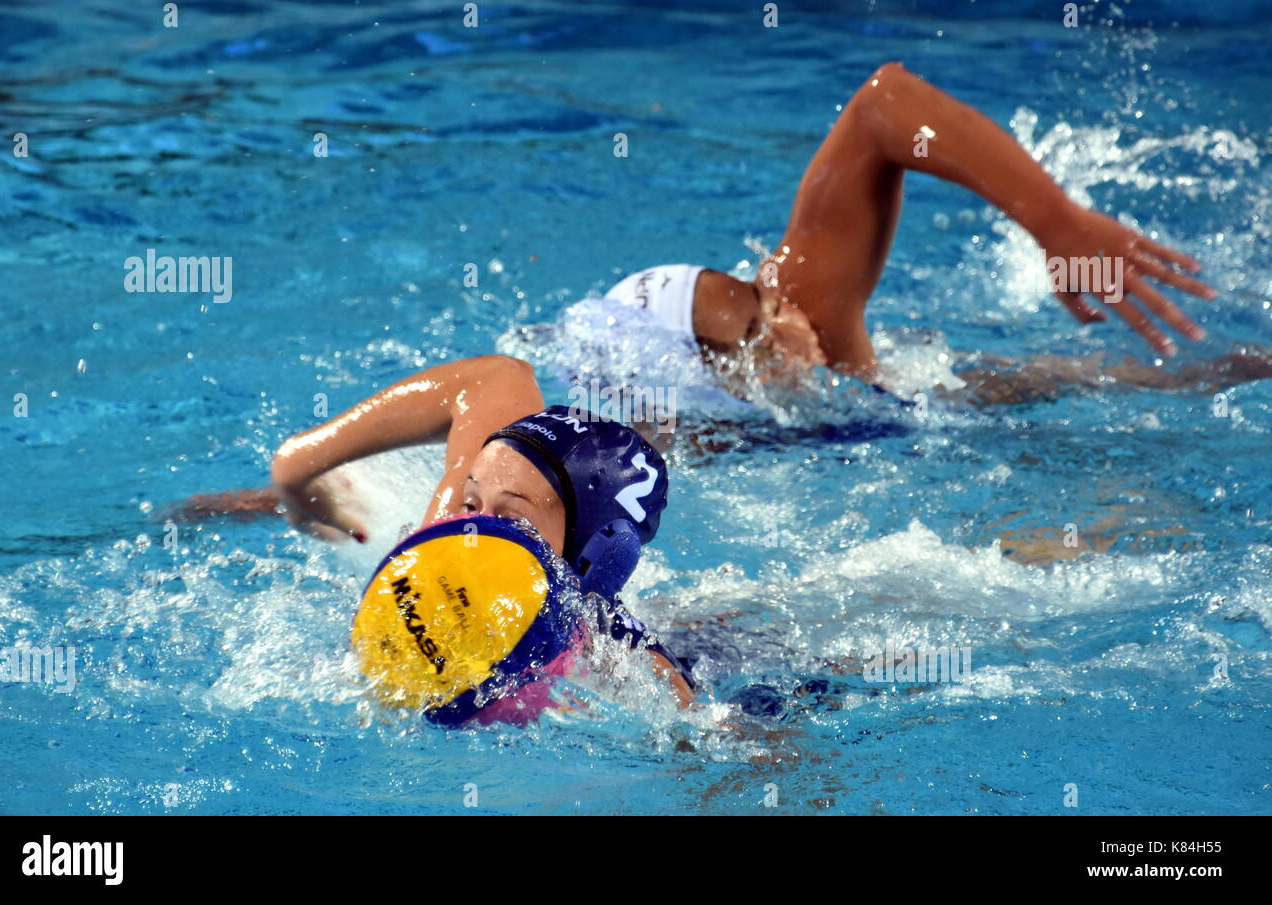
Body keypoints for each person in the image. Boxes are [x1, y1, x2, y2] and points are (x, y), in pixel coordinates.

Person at [556, 63, 1268, 406]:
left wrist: (1060, 225)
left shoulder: (806, 313)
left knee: (1175, 379)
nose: (787, 310)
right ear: (714, 387)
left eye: (760, 294)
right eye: (760, 326)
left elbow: (882, 106)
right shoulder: (685, 458)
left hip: (962, 404)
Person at [179, 355, 697, 723]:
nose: (471, 533)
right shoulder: (444, 530)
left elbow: (721, 741)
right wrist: (296, 480)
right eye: (473, 504)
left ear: (592, 558)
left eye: (511, 521)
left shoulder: (617, 657)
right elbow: (500, 376)